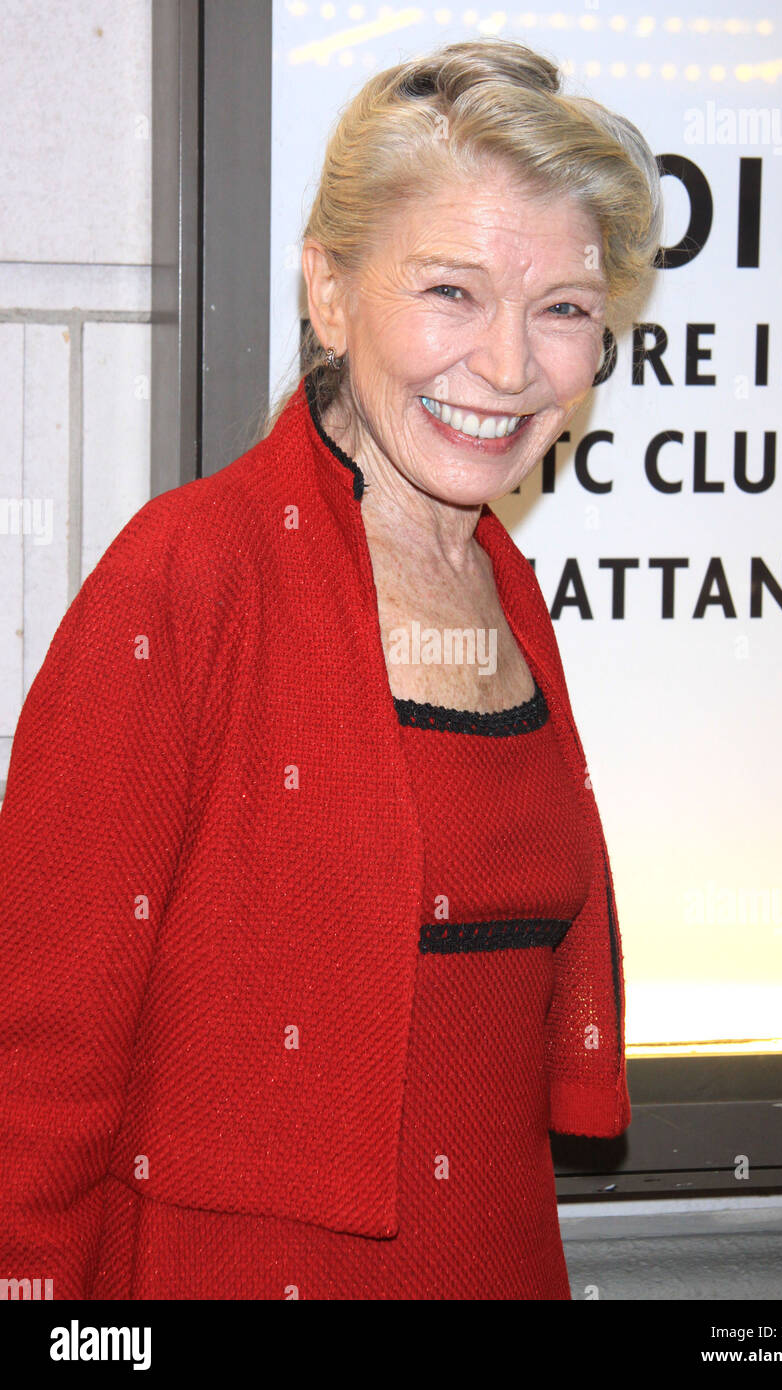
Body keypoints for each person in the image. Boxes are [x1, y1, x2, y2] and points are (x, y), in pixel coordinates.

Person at [0, 38, 660, 1300]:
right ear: (329, 291)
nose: (512, 367)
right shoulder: (186, 581)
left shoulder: (507, 593)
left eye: (563, 309)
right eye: (451, 292)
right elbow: (37, 1073)